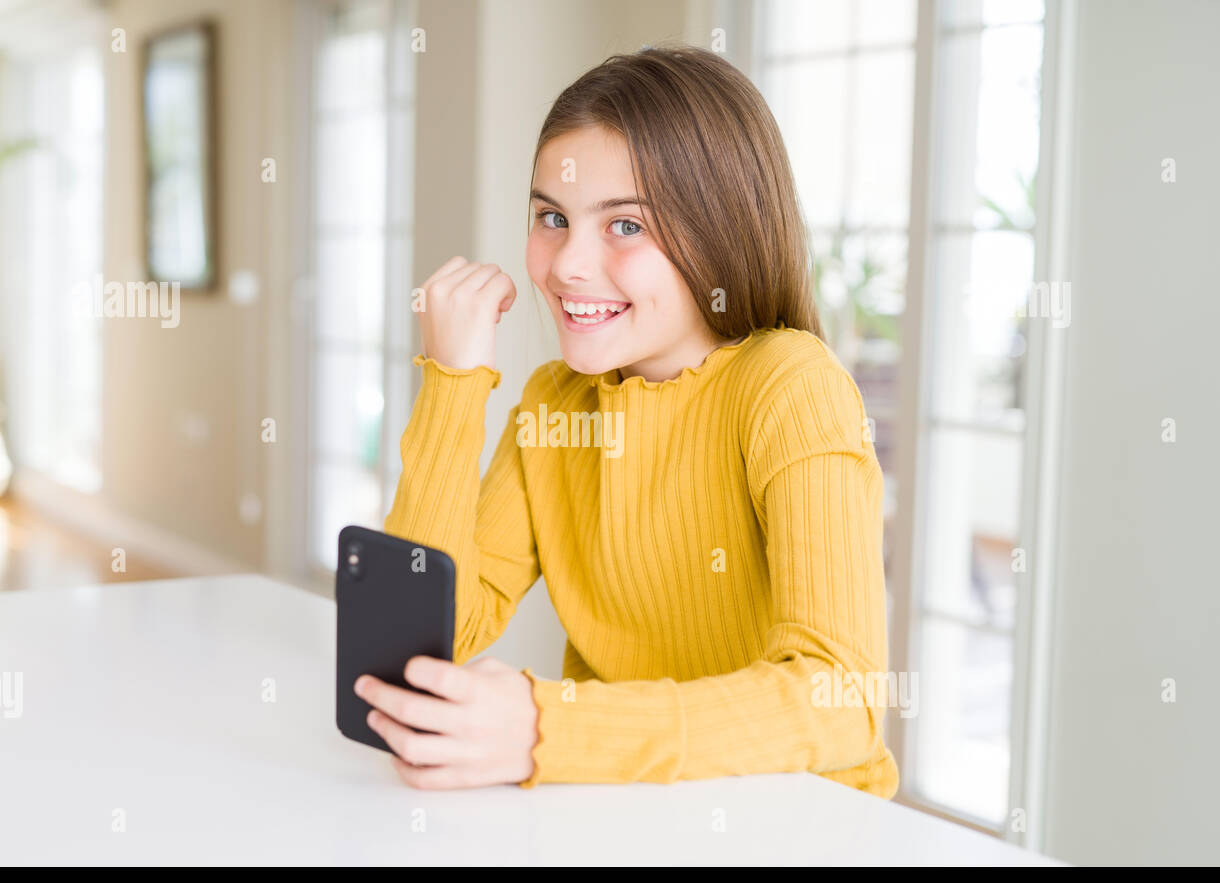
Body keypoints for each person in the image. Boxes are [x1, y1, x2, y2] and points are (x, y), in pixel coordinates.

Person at [354, 42, 899, 798]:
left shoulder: (790, 387)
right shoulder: (555, 407)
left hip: (804, 824)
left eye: (625, 226)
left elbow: (839, 699)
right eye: (552, 216)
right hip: (628, 817)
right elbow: (430, 636)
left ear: (721, 229)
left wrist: (551, 728)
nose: (567, 264)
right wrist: (451, 384)